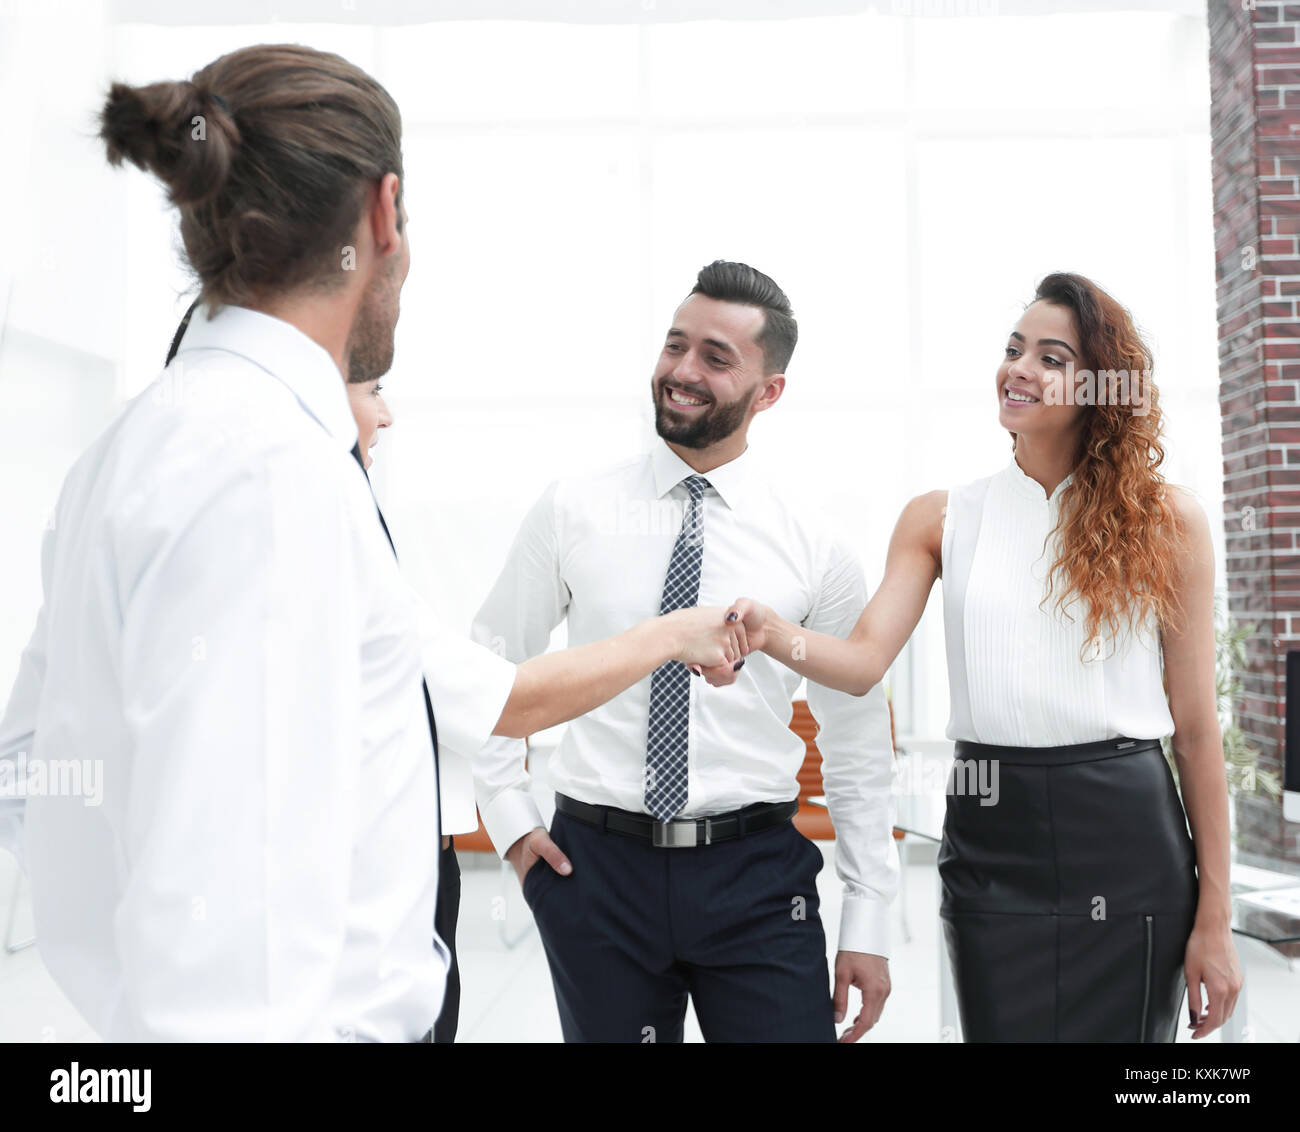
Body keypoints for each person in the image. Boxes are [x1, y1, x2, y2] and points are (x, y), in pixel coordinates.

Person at [0, 45, 744, 1043]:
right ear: (383, 215)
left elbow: (32, 761)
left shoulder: (141, 447)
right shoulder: (270, 475)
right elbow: (231, 977)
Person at [727, 271, 1244, 1042]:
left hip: (1130, 843)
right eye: (1013, 349)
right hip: (993, 837)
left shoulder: (1168, 522)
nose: (1020, 369)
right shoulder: (941, 517)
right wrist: (774, 634)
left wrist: (1216, 919)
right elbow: (865, 662)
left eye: (1052, 357)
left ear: (1101, 385)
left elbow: (1198, 732)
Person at [471, 260, 899, 1044]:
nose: (681, 372)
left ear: (768, 392)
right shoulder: (574, 508)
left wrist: (868, 913)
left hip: (758, 877)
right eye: (676, 345)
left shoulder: (814, 544)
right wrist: (509, 818)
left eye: (715, 357)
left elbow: (857, 739)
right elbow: (490, 668)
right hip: (595, 874)